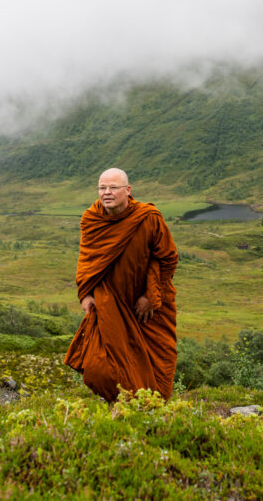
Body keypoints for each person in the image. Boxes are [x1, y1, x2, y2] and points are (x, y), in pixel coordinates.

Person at [64, 168, 179, 401]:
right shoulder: (91, 219)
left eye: (113, 187)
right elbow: (86, 259)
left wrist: (150, 296)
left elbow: (169, 258)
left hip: (146, 307)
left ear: (127, 190)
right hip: (110, 303)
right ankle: (122, 402)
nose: (106, 192)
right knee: (99, 367)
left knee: (159, 361)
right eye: (102, 188)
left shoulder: (148, 218)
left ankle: (152, 407)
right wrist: (85, 294)